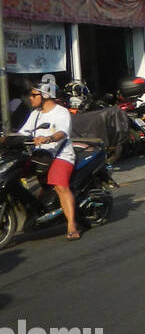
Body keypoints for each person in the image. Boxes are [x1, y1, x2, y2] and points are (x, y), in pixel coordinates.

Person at [17, 84, 80, 240]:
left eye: (33, 95)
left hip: (61, 155)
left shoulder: (61, 112)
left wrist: (48, 138)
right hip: (40, 155)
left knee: (60, 186)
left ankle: (71, 225)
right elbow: (22, 133)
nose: (30, 98)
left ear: (45, 95)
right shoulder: (35, 114)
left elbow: (62, 132)